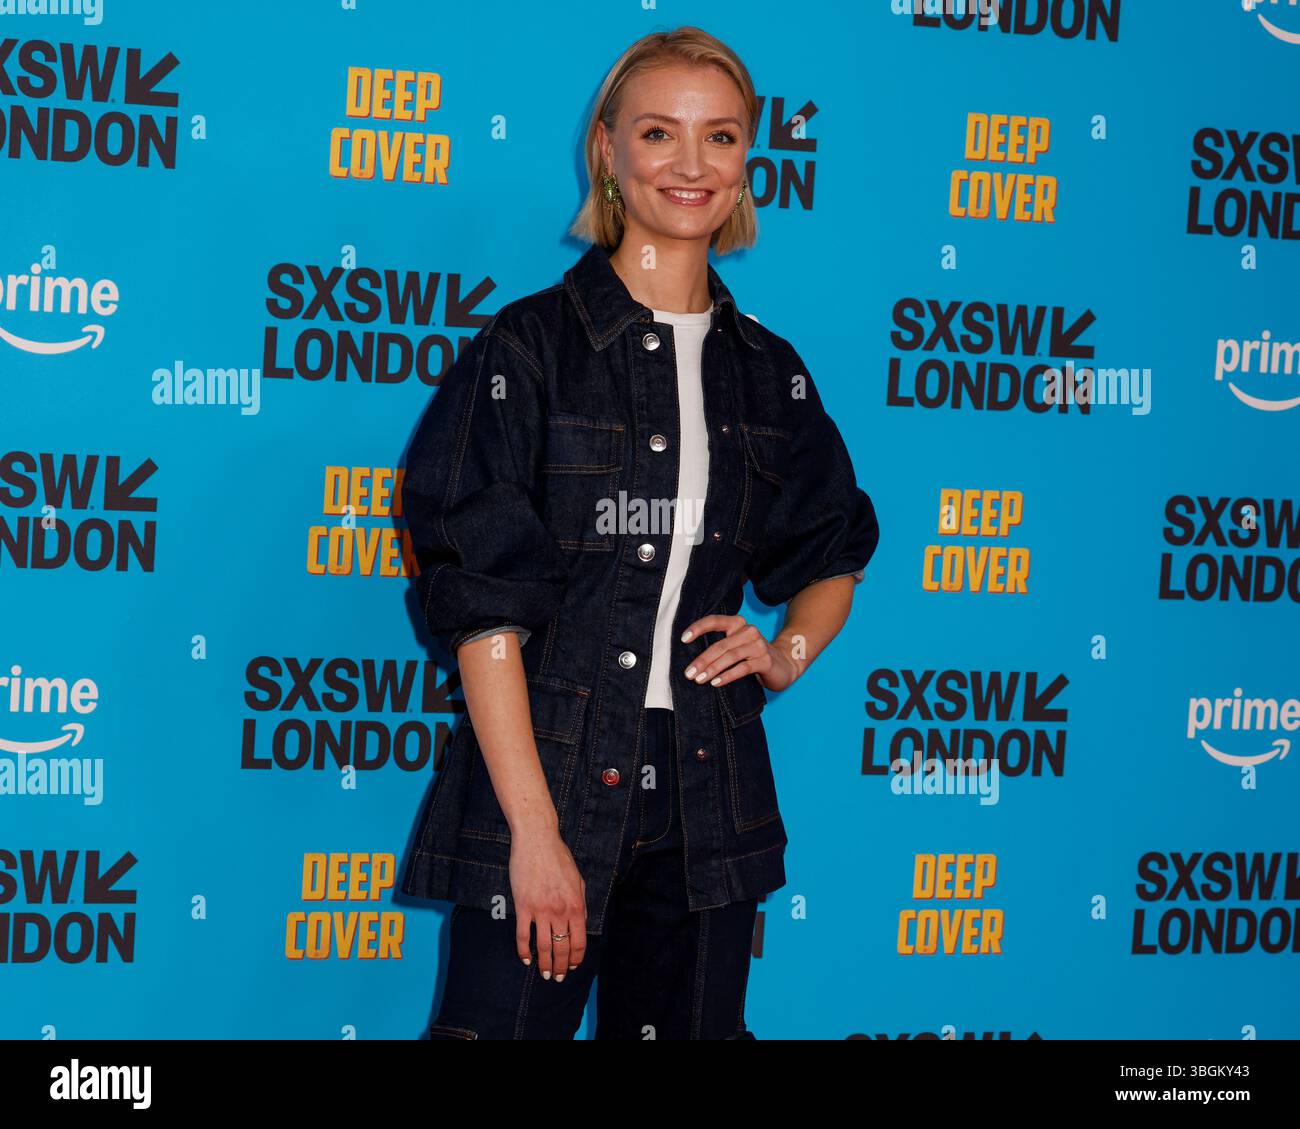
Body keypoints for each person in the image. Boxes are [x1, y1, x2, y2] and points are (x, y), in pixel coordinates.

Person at [399, 25, 880, 1040]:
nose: (691, 165)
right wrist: (533, 832)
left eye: (721, 137)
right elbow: (481, 606)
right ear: (608, 151)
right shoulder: (526, 348)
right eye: (659, 133)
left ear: (750, 158)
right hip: (551, 775)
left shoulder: (768, 371)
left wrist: (786, 648)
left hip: (712, 795)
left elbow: (833, 547)